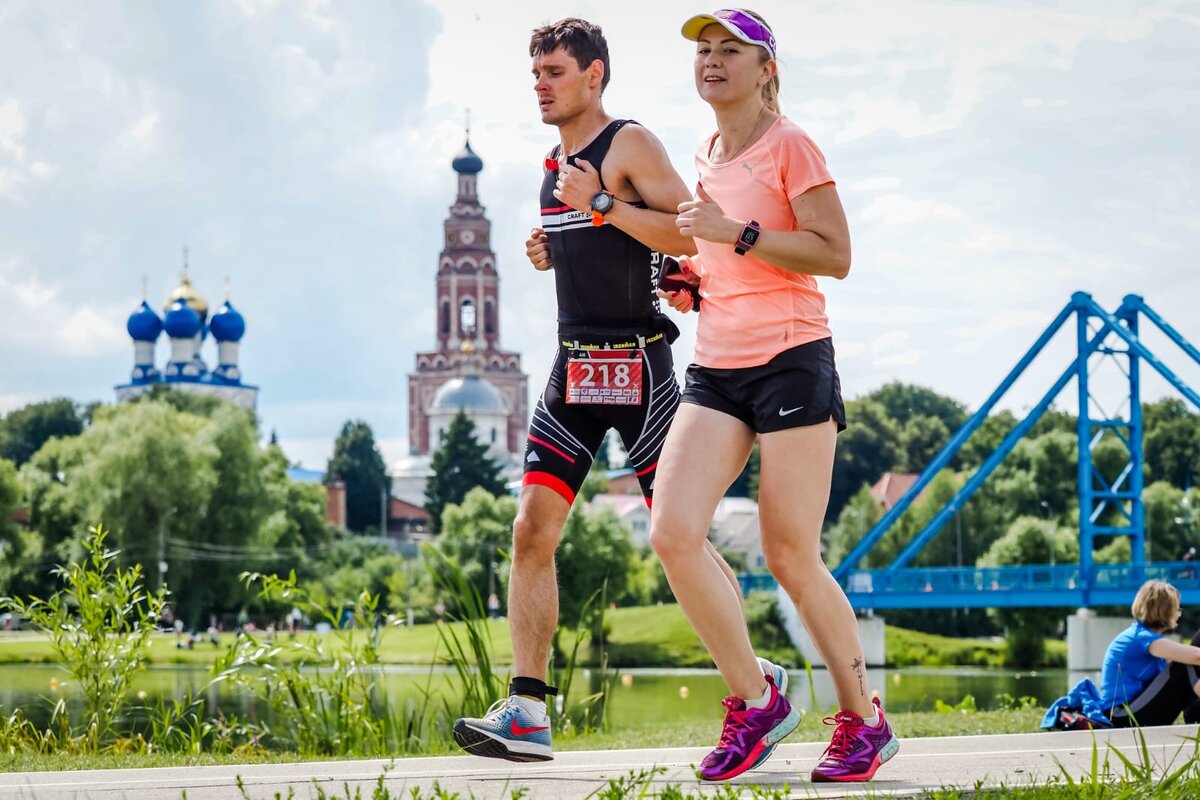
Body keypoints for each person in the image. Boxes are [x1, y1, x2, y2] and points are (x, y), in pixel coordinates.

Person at [453, 17, 779, 764]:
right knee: (531, 530)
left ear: (594, 75)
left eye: (555, 72)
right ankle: (528, 712)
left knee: (681, 538)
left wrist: (600, 204)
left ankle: (752, 678)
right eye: (535, 73)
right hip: (573, 369)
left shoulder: (626, 144)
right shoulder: (551, 164)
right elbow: (598, 247)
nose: (541, 85)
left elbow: (690, 234)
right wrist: (552, 247)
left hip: (639, 371)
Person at [649, 9, 899, 783]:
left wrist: (738, 235)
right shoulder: (706, 150)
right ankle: (757, 700)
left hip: (793, 360)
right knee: (672, 532)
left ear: (766, 70)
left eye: (732, 51)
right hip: (718, 364)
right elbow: (721, 249)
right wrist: (697, 274)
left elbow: (836, 254)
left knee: (790, 552)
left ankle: (866, 720)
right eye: (705, 51)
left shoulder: (791, 144)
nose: (713, 61)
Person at [1099, 579, 1200, 727]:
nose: (1179, 614)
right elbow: (1196, 657)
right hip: (1122, 715)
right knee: (1184, 663)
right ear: (1165, 611)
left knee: (1184, 662)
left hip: (1132, 711)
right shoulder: (1142, 638)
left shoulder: (1143, 636)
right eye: (1177, 609)